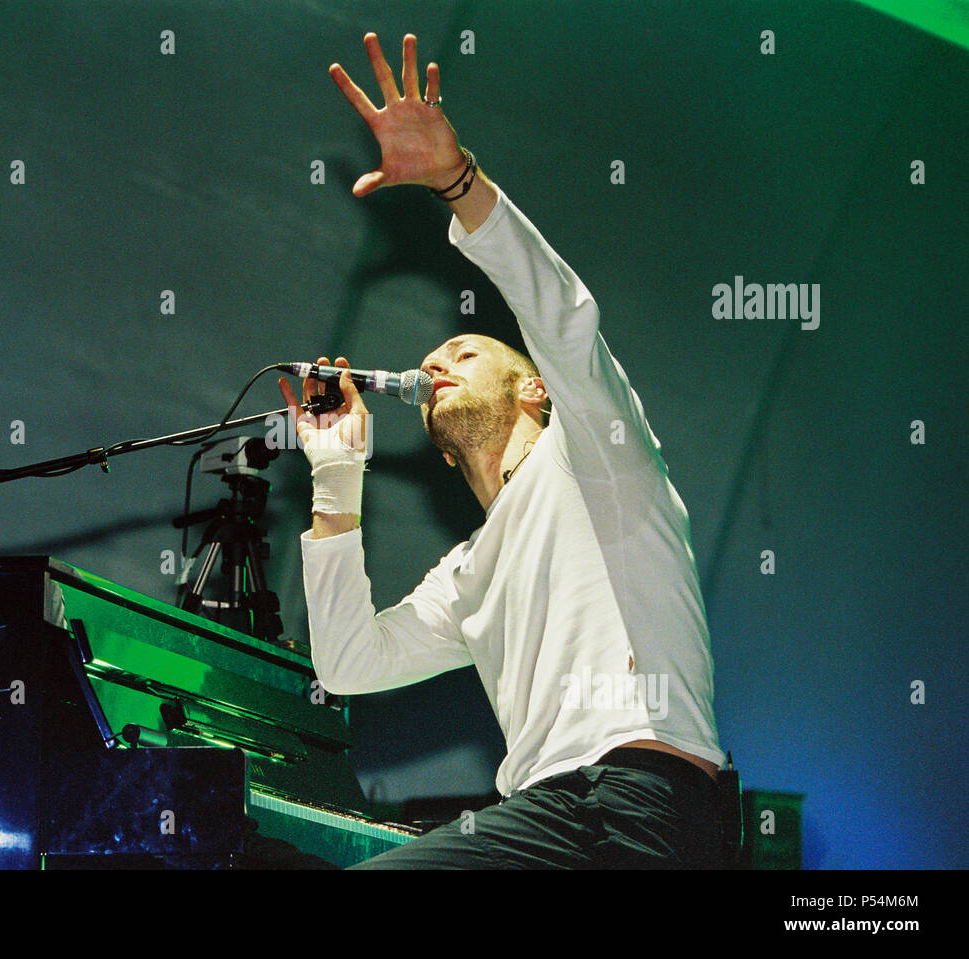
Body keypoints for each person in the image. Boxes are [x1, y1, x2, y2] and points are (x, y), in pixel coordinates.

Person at [277, 34, 726, 868]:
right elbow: (346, 662)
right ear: (442, 455)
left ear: (536, 391)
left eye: (469, 350)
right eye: (434, 358)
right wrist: (337, 473)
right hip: (549, 814)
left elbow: (563, 321)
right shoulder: (471, 569)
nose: (437, 361)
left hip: (634, 802)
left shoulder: (597, 455)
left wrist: (458, 184)